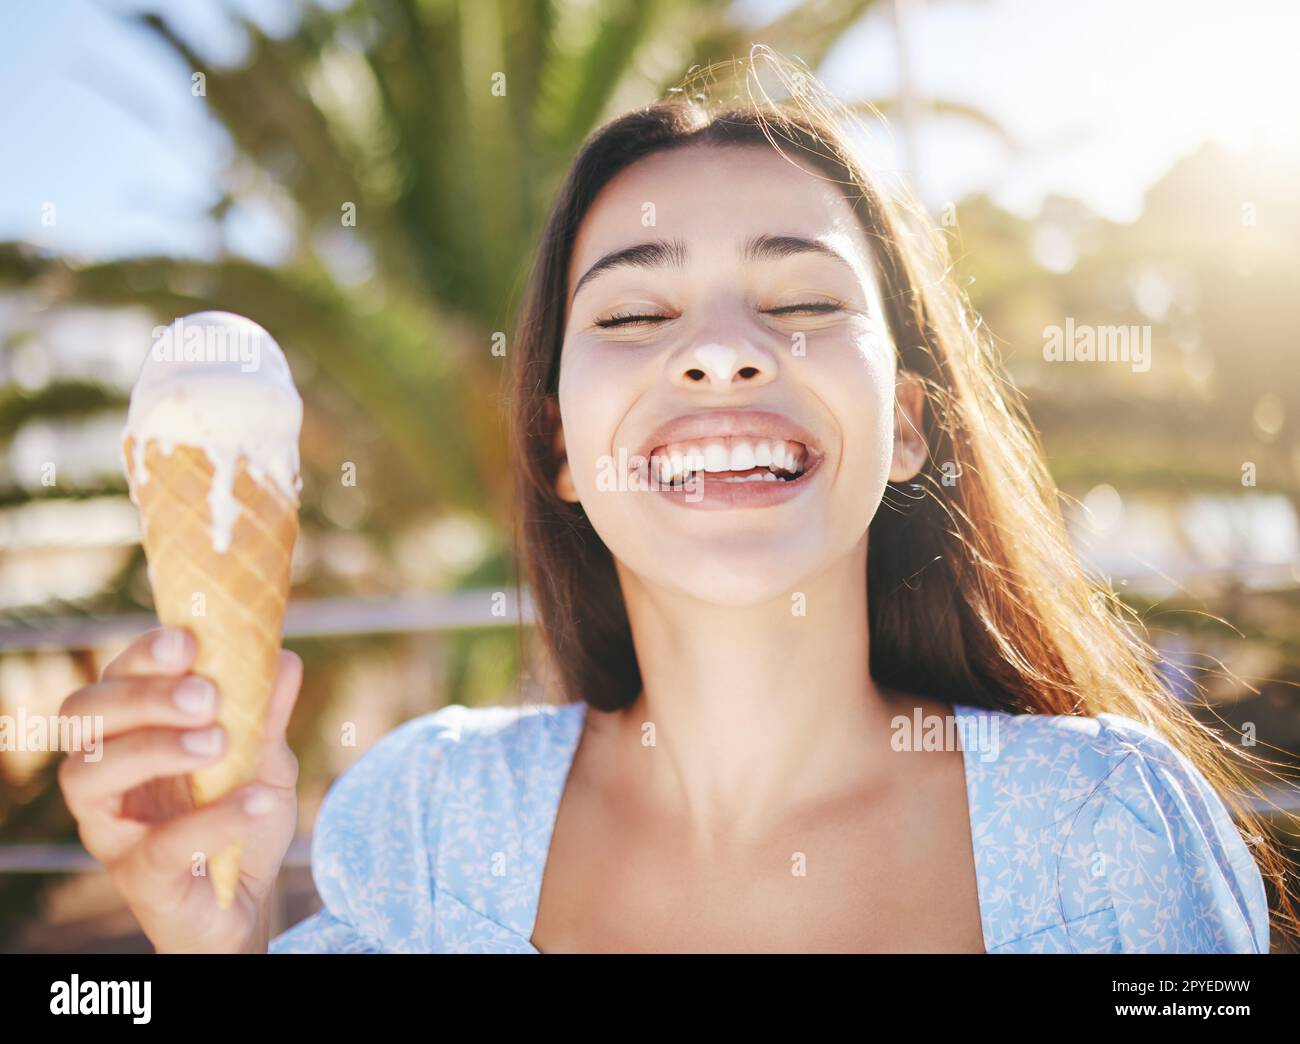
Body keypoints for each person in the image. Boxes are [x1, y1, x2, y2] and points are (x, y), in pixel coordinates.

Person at [59, 49, 1288, 953]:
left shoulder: (1106, 831)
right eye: (635, 314)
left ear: (908, 423)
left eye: (802, 301)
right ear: (556, 446)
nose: (717, 353)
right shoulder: (424, 821)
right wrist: (200, 945)